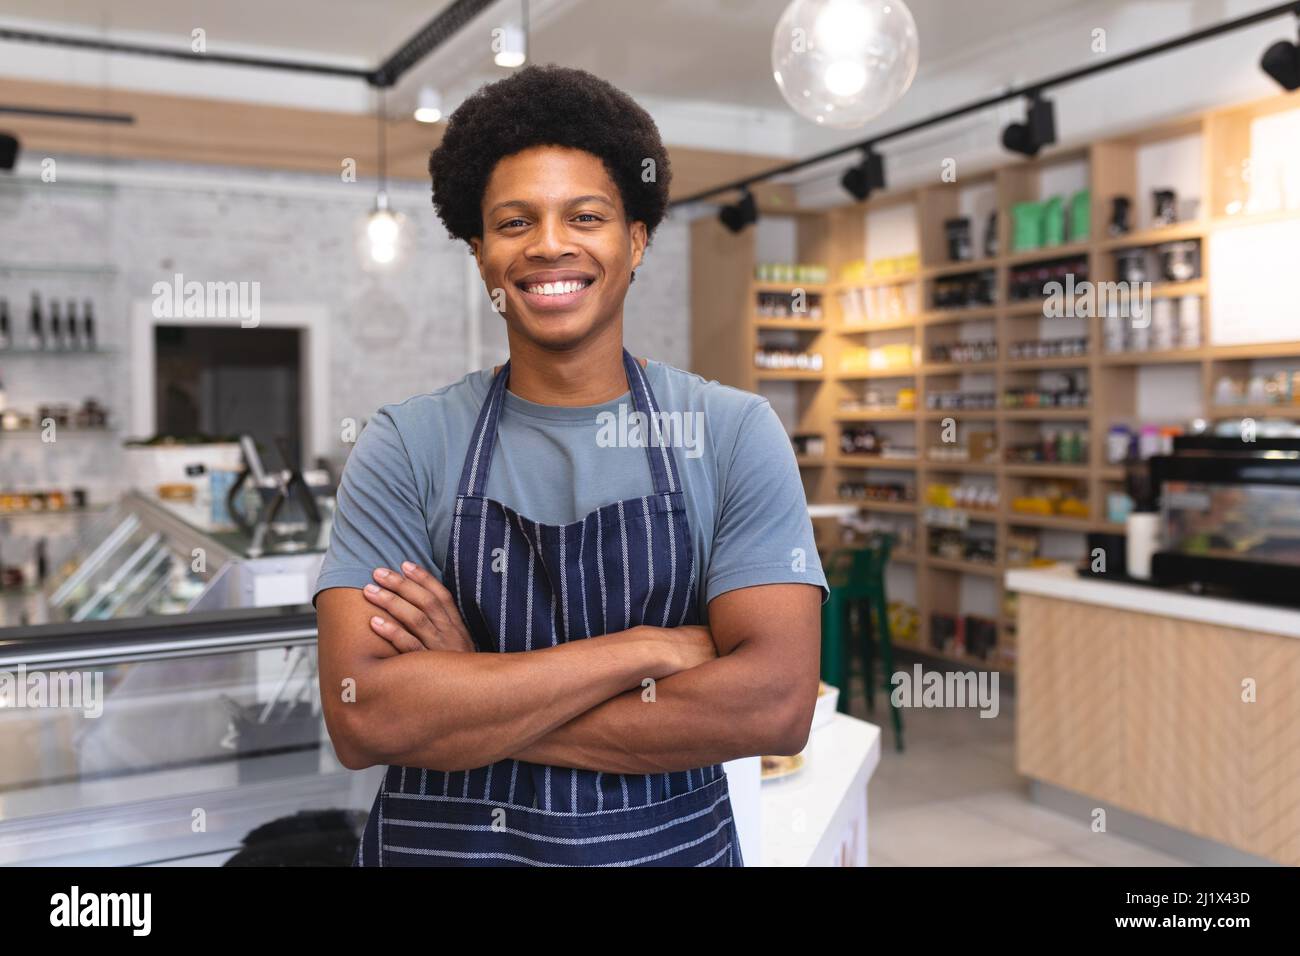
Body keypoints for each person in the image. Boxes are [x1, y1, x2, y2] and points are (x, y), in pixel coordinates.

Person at [314, 64, 828, 867]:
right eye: (514, 222)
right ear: (481, 253)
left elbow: (774, 705)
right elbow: (365, 717)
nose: (549, 243)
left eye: (584, 215)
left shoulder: (730, 433)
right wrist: (647, 650)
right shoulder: (406, 443)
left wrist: (471, 690)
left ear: (635, 241)